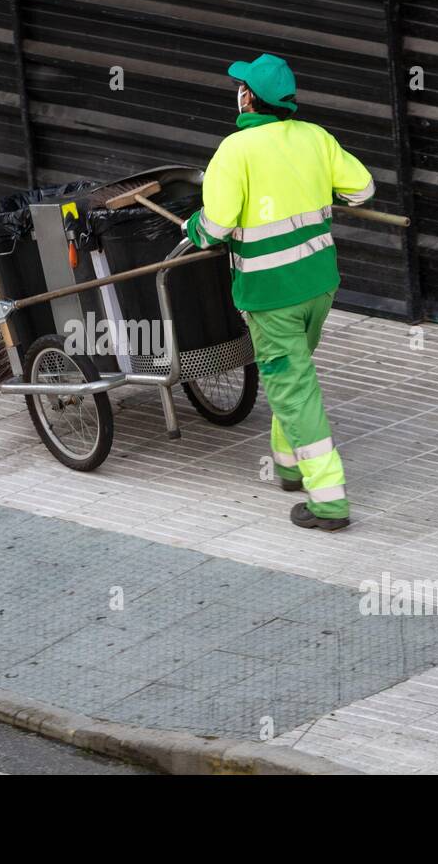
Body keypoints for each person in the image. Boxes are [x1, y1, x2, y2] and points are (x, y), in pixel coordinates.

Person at [184, 53, 375, 532]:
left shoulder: (236, 150)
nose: (237, 92)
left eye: (241, 86)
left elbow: (218, 224)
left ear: (250, 98)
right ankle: (288, 467)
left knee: (293, 386)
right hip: (319, 286)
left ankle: (328, 500)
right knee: (292, 377)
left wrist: (195, 228)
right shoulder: (316, 138)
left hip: (272, 295)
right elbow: (363, 191)